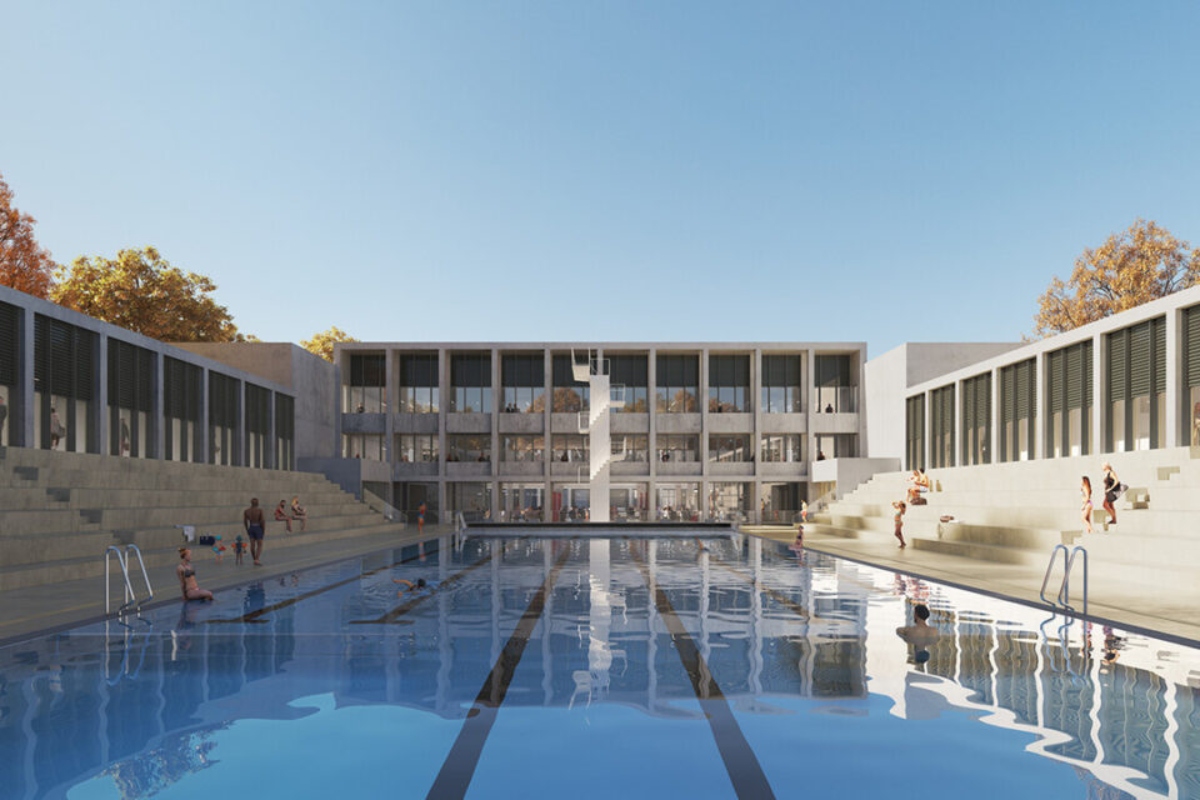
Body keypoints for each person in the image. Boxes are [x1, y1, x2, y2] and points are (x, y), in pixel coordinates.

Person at [244, 497, 266, 566]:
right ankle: (257, 559)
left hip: (251, 527)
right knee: (259, 544)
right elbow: (262, 521)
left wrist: (247, 529)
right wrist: (263, 530)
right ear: (258, 503)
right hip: (258, 527)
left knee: (252, 545)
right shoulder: (259, 510)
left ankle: (254, 559)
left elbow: (245, 521)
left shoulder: (247, 511)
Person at [1102, 462, 1122, 528]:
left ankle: (1113, 517)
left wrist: (1110, 489)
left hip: (1110, 492)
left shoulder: (1111, 473)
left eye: (1103, 466)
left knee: (1105, 505)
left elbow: (1116, 481)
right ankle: (1114, 520)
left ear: (1106, 466)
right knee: (1111, 506)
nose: (1102, 467)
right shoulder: (1108, 473)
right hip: (1108, 492)